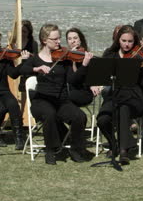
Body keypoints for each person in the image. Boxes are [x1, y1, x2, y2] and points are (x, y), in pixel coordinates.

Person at [20, 24, 94, 164]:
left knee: (80, 116)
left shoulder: (64, 58)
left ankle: (75, 149)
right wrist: (37, 69)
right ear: (44, 40)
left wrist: (84, 65)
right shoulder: (36, 59)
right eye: (54, 39)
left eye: (59, 38)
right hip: (41, 100)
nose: (59, 42)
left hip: (61, 100)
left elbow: (72, 79)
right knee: (49, 114)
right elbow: (22, 69)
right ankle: (51, 150)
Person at [94, 25, 143, 165]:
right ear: (118, 40)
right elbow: (102, 76)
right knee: (103, 120)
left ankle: (124, 151)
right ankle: (115, 145)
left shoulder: (140, 56)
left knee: (124, 107)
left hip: (133, 98)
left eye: (130, 41)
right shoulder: (110, 55)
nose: (127, 44)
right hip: (114, 96)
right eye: (124, 41)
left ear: (135, 42)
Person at [65, 27, 95, 108]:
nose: (72, 41)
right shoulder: (65, 58)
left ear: (80, 40)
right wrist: (72, 58)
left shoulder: (87, 57)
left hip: (83, 92)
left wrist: (75, 62)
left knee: (65, 97)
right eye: (69, 39)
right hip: (69, 91)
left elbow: (74, 80)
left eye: (75, 38)